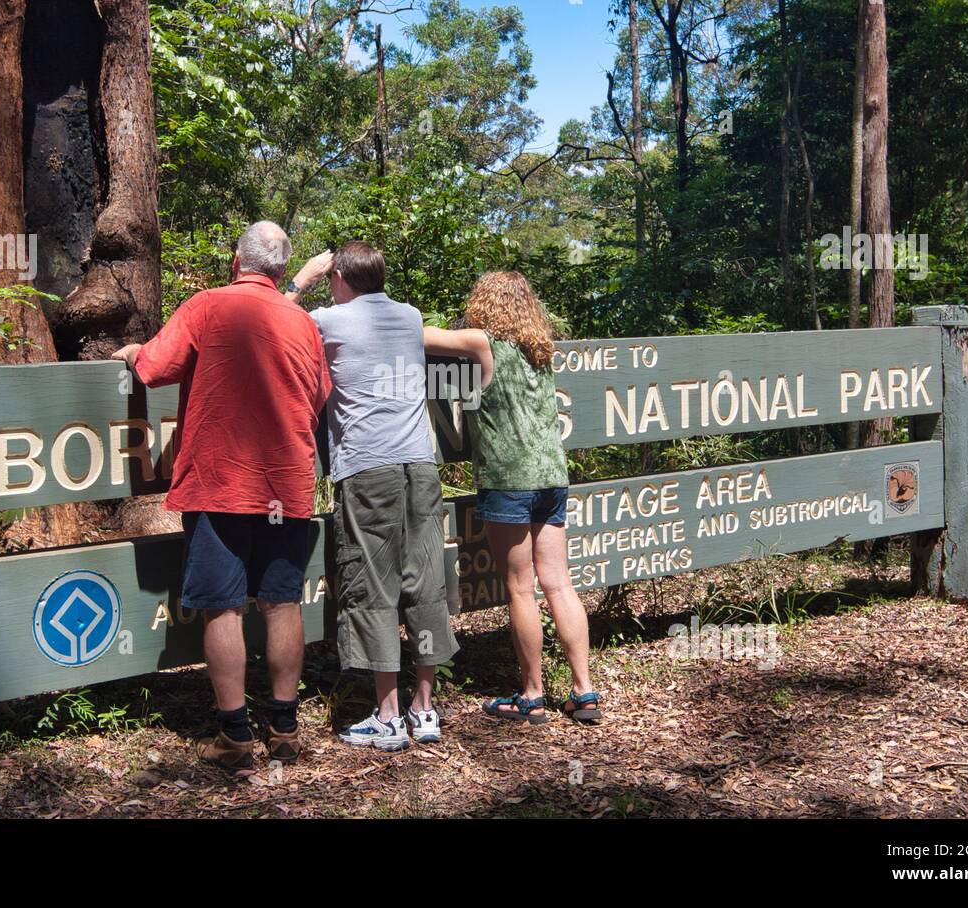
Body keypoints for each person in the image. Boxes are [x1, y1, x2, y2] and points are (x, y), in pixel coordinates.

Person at [112, 221, 333, 777]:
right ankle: (284, 728)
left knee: (222, 605)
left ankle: (235, 735)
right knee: (282, 601)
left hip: (221, 481)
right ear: (282, 271)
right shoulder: (303, 323)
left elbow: (157, 367)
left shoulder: (207, 306)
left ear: (239, 262)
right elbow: (320, 393)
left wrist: (136, 353)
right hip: (287, 482)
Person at [287, 242, 459, 751]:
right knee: (424, 579)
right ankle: (424, 710)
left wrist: (302, 280)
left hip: (367, 468)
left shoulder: (331, 320)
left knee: (373, 583)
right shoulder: (409, 315)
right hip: (420, 465)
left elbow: (270, 318)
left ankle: (387, 717)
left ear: (339, 277)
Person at [422, 271, 602, 726]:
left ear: (486, 303)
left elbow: (421, 334)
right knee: (559, 583)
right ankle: (584, 691)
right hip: (552, 476)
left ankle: (532, 694)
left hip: (509, 479)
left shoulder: (484, 343)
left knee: (521, 588)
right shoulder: (539, 349)